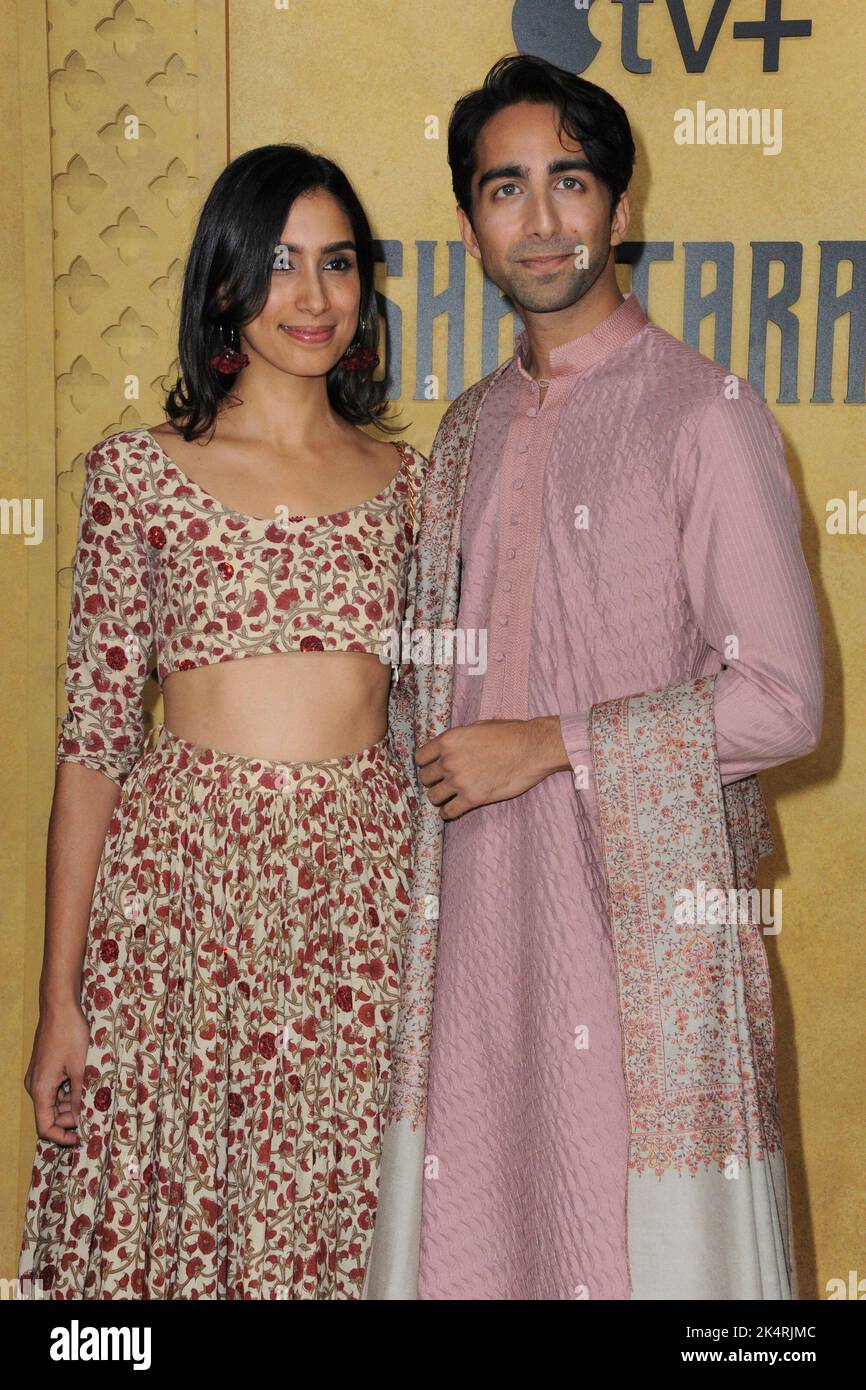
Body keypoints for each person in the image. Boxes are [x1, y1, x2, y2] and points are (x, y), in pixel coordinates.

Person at [365, 55, 822, 1300]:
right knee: (482, 1230)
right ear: (469, 229)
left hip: (637, 920)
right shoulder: (461, 429)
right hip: (471, 919)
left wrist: (549, 740)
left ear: (621, 210)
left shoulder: (703, 412)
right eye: (504, 189)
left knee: (630, 1250)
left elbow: (784, 697)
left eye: (569, 182)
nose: (541, 217)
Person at [18, 143, 427, 1300]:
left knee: (338, 1221)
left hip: (358, 911)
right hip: (183, 911)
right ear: (227, 283)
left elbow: (425, 725)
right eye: (282, 263)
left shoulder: (413, 485)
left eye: (337, 264)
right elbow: (96, 743)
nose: (312, 297)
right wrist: (61, 1001)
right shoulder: (137, 476)